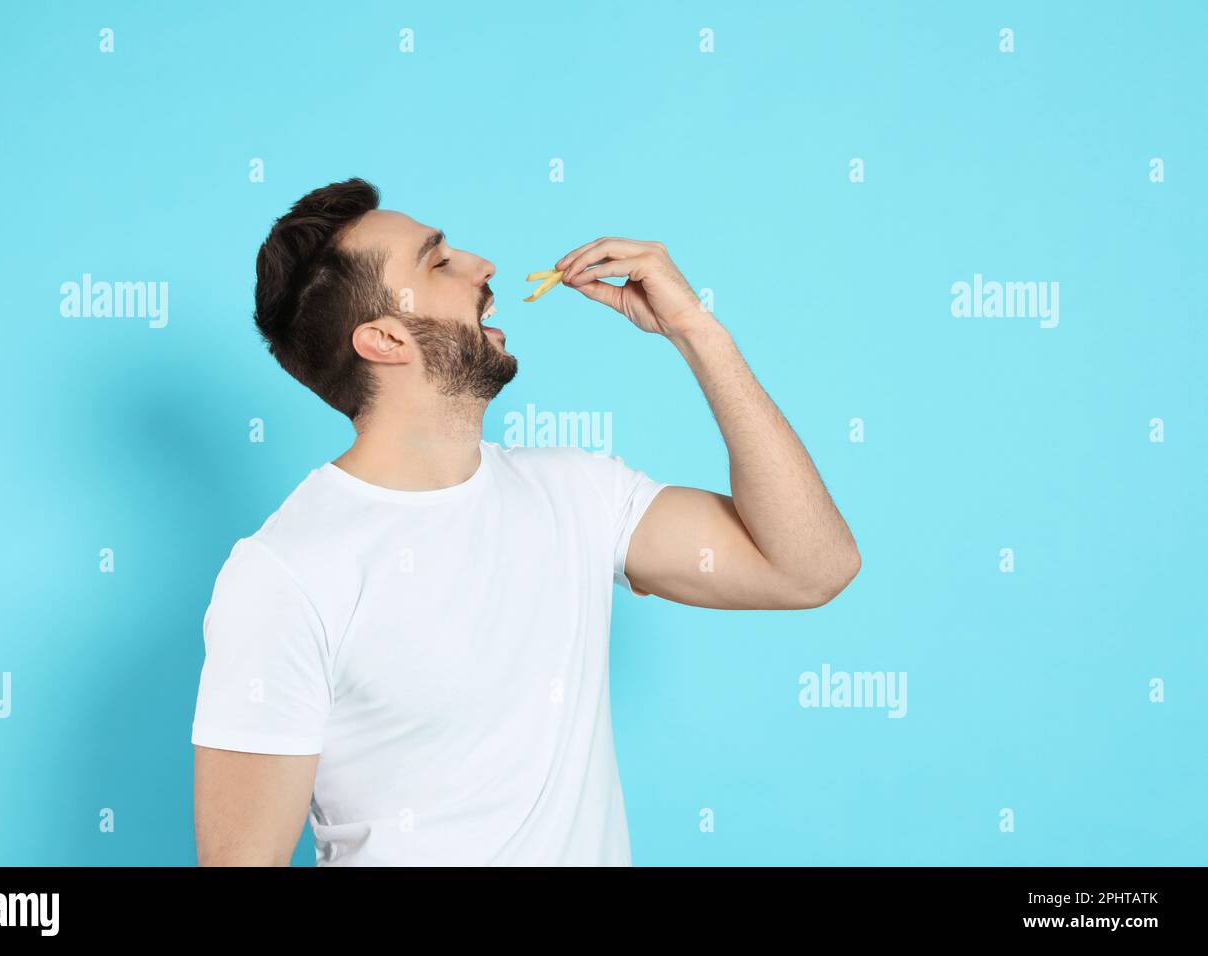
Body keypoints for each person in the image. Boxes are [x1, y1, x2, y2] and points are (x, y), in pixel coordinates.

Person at [191, 178, 860, 866]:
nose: (483, 266)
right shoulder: (285, 573)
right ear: (386, 338)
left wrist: (696, 330)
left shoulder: (576, 492)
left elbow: (811, 568)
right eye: (439, 261)